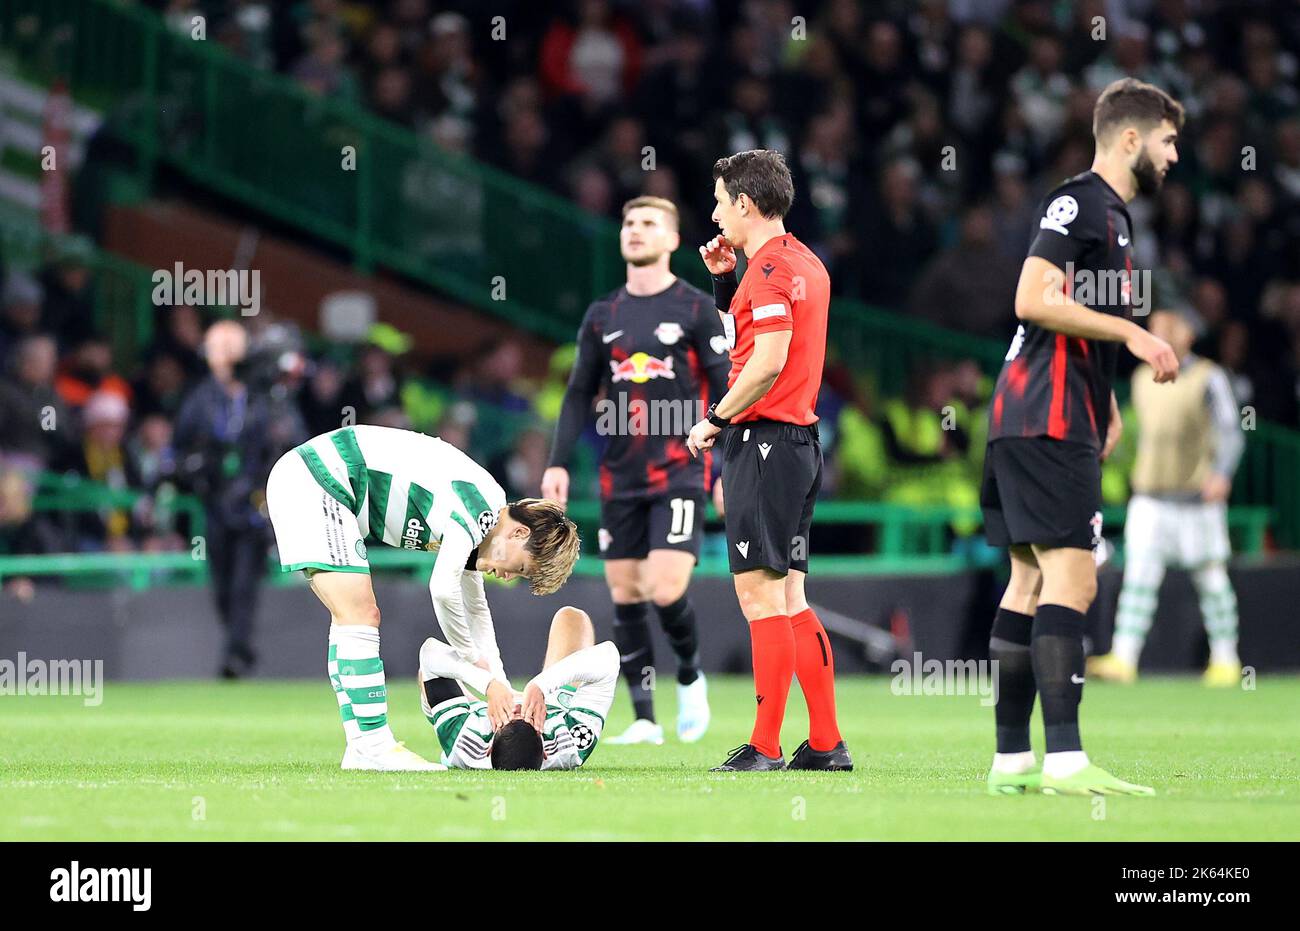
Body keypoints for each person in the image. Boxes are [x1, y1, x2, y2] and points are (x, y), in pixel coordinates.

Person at [980, 79, 1183, 797]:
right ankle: (1066, 759)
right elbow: (1033, 298)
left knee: (1029, 578)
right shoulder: (1083, 201)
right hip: (1047, 415)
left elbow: (1063, 320)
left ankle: (1011, 761)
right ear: (1130, 138)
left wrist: (1107, 402)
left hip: (1029, 413)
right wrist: (1133, 331)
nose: (1174, 154)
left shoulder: (1115, 219)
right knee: (1074, 576)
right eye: (1167, 140)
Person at [265, 423, 581, 771]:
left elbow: (476, 609)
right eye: (520, 568)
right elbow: (443, 589)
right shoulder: (480, 509)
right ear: (519, 532)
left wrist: (502, 689)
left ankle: (361, 746)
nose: (507, 577)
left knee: (350, 618)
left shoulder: (483, 523)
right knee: (360, 614)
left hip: (313, 480)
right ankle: (373, 745)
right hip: (318, 481)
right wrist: (479, 674)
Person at [543, 195, 729, 746]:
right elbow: (579, 392)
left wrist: (726, 467)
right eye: (628, 223)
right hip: (618, 477)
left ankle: (691, 676)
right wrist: (557, 462)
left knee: (665, 588)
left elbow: (726, 390)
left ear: (672, 240)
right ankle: (644, 717)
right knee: (625, 594)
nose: (636, 231)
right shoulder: (604, 314)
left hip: (680, 470)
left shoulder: (696, 308)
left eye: (649, 223)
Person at [687, 149, 851, 772]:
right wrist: (726, 282)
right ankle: (828, 742)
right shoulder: (803, 262)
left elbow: (768, 359)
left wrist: (716, 418)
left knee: (760, 601)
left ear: (746, 204)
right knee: (791, 600)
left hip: (764, 443)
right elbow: (756, 333)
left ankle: (764, 745)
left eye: (722, 200)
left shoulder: (774, 270)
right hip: (799, 445)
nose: (716, 211)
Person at [1088, 306, 1244, 686]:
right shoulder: (1142, 378)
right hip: (1150, 495)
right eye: (1154, 326)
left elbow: (1230, 430)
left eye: (1169, 326)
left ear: (1189, 333)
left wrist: (1222, 472)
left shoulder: (1209, 378)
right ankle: (1124, 658)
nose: (1159, 332)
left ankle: (1226, 658)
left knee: (1211, 578)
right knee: (1139, 579)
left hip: (1195, 496)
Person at [174, 320, 299, 678]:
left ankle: (236, 654)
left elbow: (288, 439)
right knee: (222, 583)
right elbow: (179, 447)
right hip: (214, 502)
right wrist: (192, 468)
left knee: (245, 581)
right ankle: (237, 646)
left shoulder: (264, 398)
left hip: (253, 503)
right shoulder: (200, 398)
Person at [417, 605, 618, 770]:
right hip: (552, 705)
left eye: (505, 719)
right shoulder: (569, 746)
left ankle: (457, 708)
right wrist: (541, 686)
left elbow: (430, 653)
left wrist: (488, 686)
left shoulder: (466, 742)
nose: (518, 709)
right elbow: (608, 657)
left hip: (476, 712)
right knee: (573, 618)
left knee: (427, 676)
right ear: (545, 748)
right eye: (530, 720)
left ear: (488, 749)